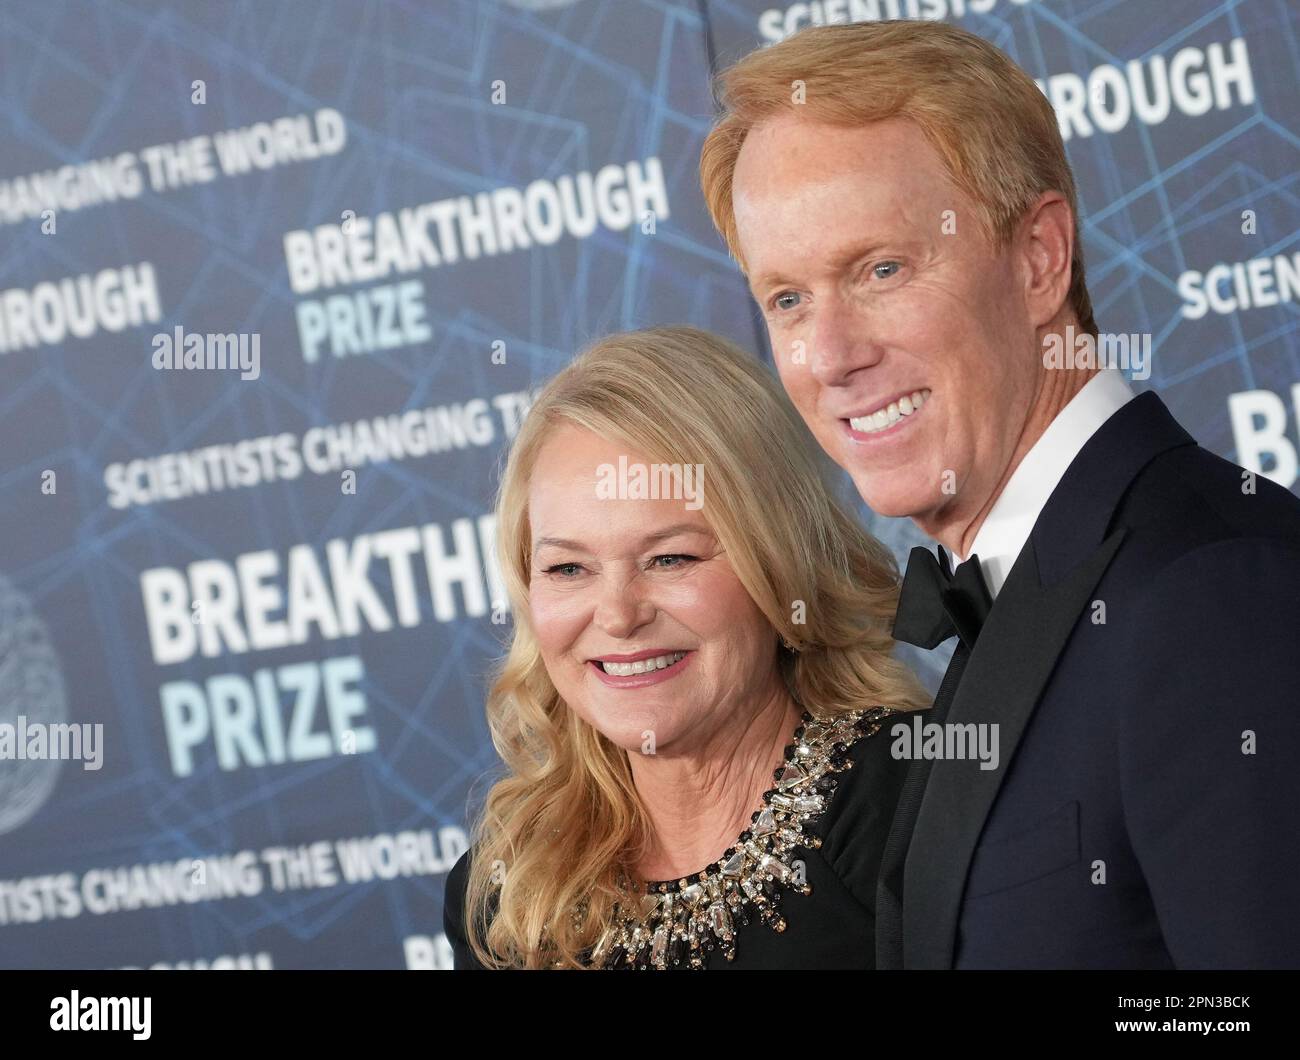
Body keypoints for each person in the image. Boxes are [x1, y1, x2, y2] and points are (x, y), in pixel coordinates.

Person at [699, 20, 1300, 969]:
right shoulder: (1015, 594)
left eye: (881, 270)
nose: (830, 357)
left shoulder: (1211, 590)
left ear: (1038, 260)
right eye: (788, 300)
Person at [441, 325, 928, 969]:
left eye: (670, 557)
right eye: (567, 569)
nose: (617, 615)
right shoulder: (509, 892)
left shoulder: (914, 800)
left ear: (778, 567)